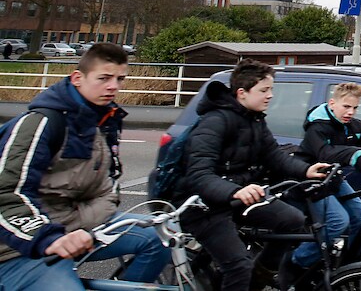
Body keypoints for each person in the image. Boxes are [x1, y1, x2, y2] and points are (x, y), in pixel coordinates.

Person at [0, 43, 170, 290]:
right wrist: (50, 239)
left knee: (159, 239)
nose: (114, 86)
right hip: (22, 247)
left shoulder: (103, 122)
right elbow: (6, 195)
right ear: (78, 78)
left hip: (76, 230)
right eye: (104, 78)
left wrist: (83, 226)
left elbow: (108, 187)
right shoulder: (40, 124)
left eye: (120, 79)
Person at [177, 59, 330, 291]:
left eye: (271, 90)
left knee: (293, 221)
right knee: (239, 267)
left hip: (237, 196)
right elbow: (199, 175)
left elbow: (274, 156)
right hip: (202, 205)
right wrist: (236, 190)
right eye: (264, 90)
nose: (270, 96)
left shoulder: (255, 119)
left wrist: (306, 170)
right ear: (242, 93)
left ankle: (258, 280)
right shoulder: (215, 122)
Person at [279, 82, 361, 287]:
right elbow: (325, 153)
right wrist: (355, 155)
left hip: (333, 178)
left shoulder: (351, 125)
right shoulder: (317, 127)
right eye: (346, 107)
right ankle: (295, 263)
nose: (350, 112)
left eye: (355, 108)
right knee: (338, 222)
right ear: (332, 103)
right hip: (311, 180)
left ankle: (351, 269)